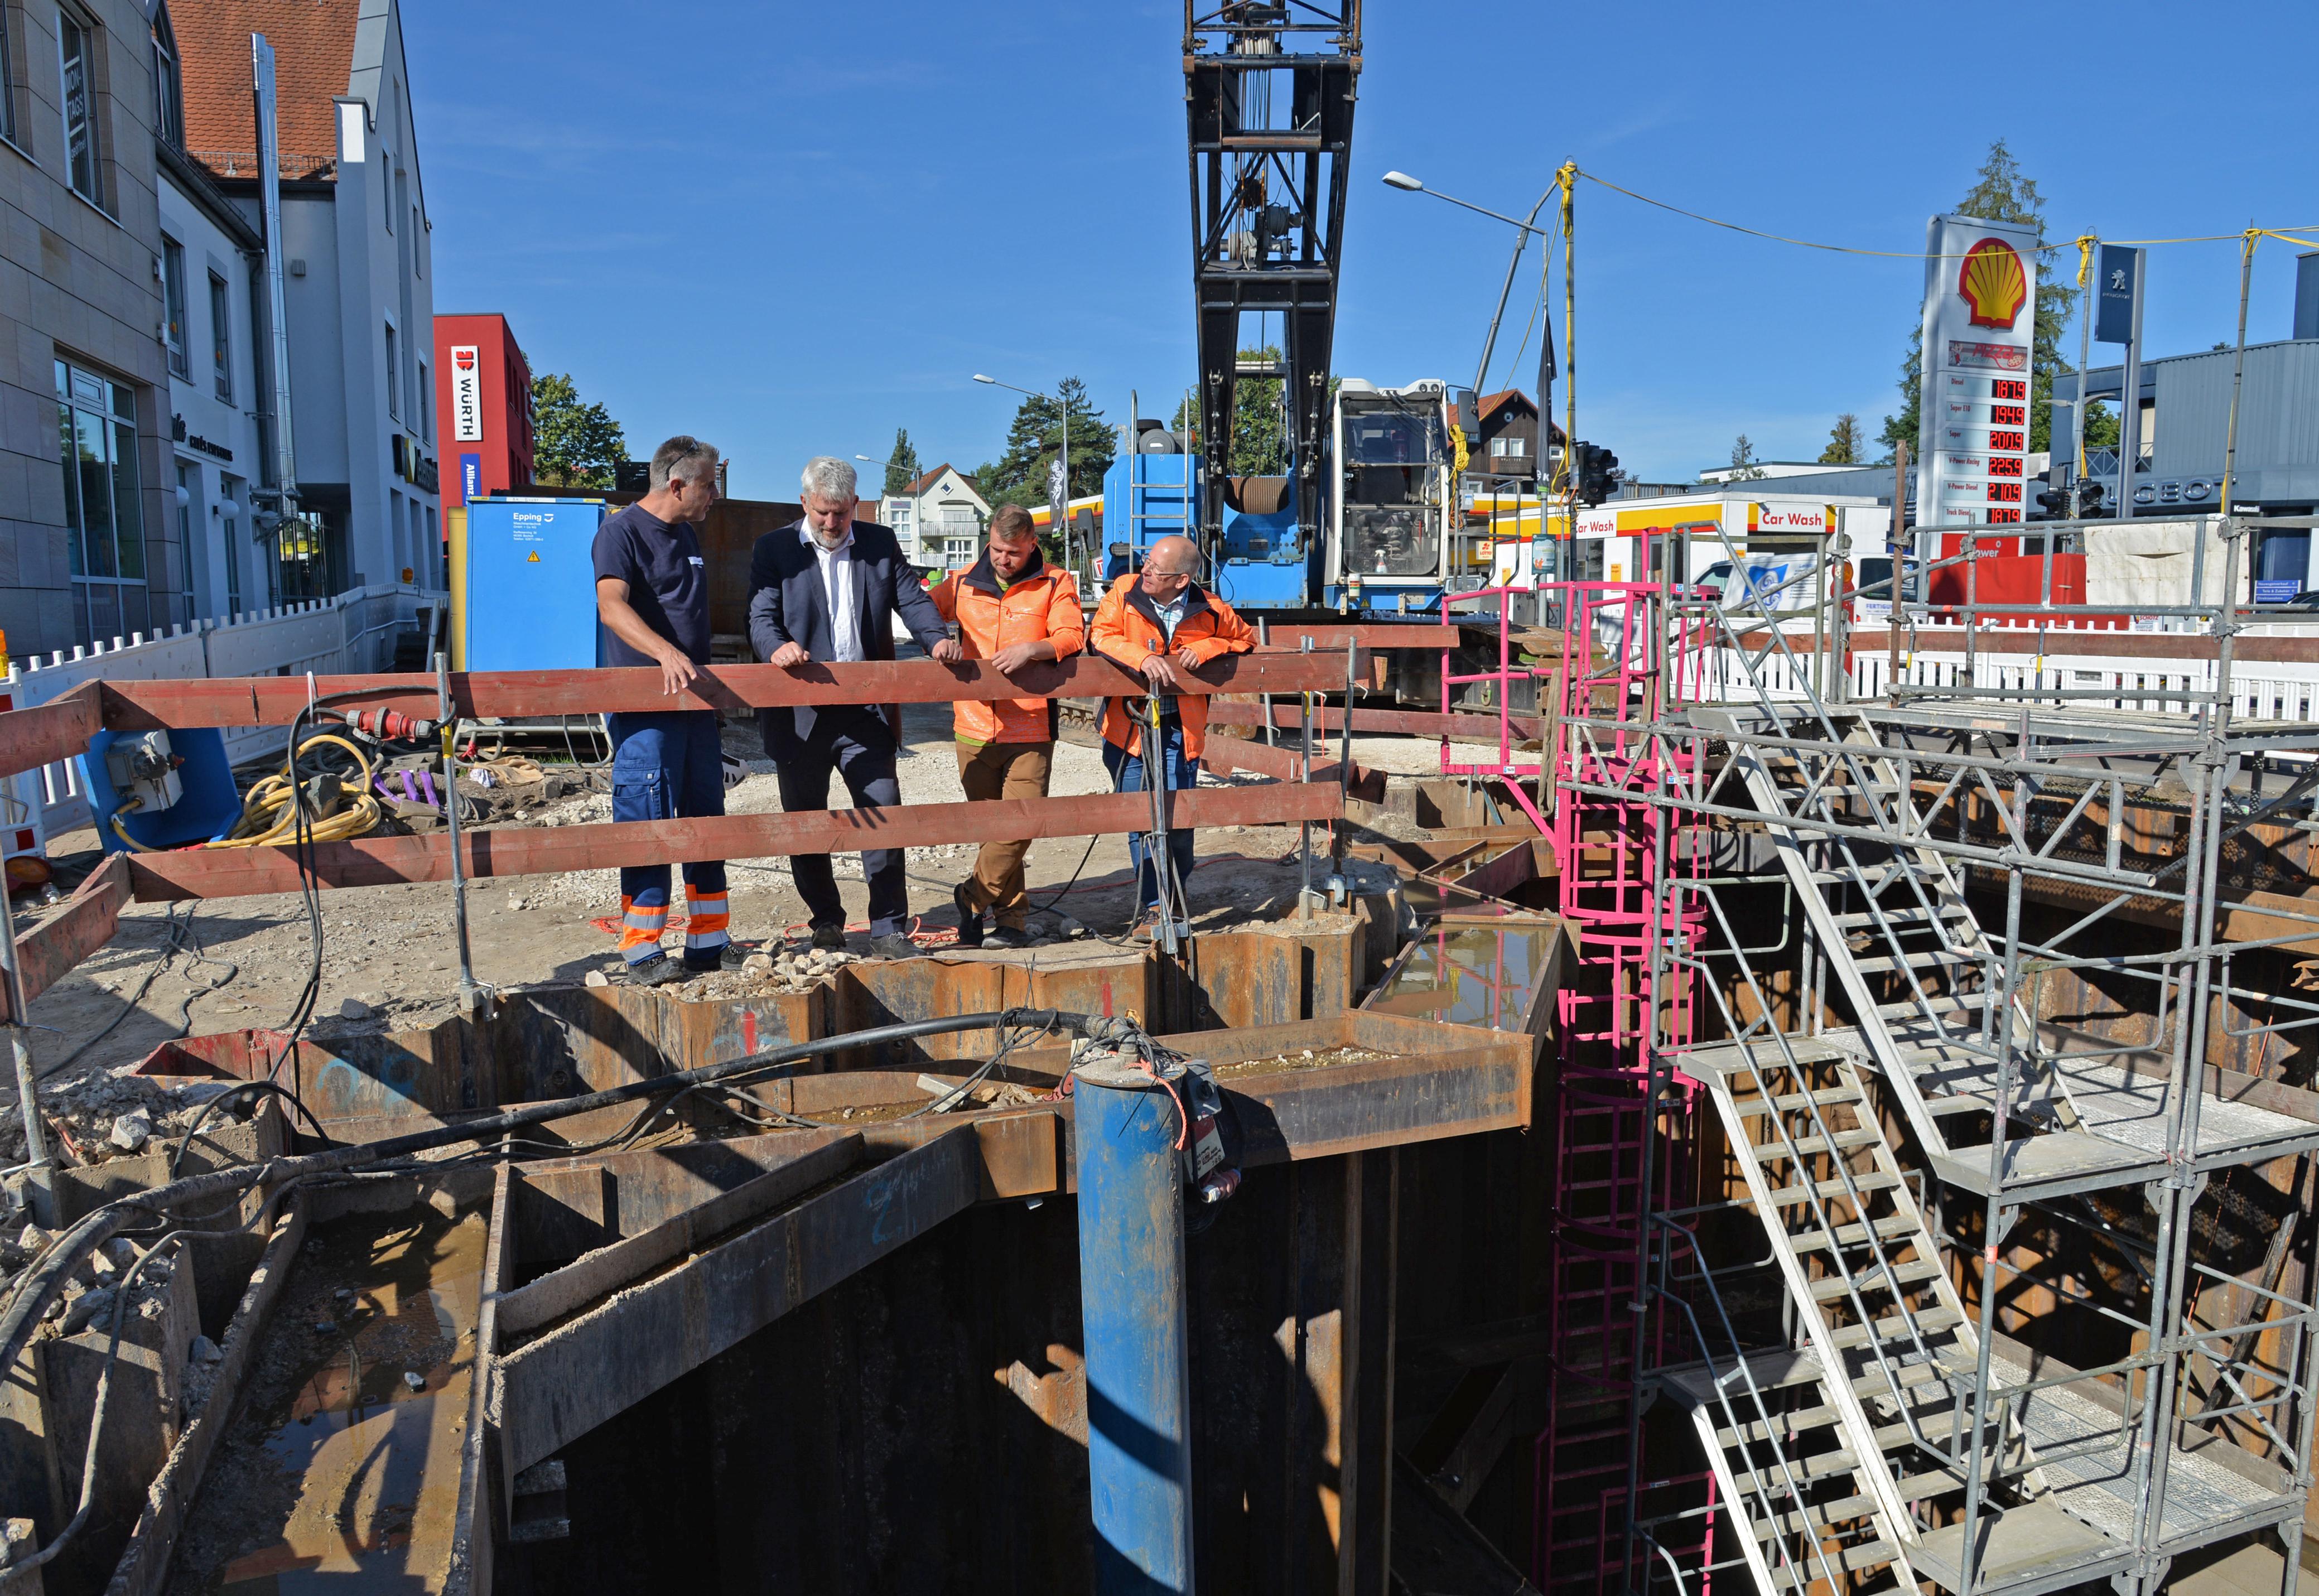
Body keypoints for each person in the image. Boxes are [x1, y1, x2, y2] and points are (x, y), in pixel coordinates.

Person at [749, 457, 962, 959]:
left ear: (854, 505)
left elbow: (912, 599)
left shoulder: (879, 543)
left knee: (884, 813)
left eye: (841, 513)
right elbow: (758, 614)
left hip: (864, 711)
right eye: (823, 512)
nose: (831, 523)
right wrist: (775, 647)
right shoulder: (774, 548)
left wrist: (935, 640)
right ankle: (826, 921)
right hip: (800, 714)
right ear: (804, 503)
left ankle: (888, 925)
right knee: (806, 823)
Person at [592, 435, 740, 985]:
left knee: (706, 815)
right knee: (647, 815)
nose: (715, 494)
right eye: (708, 484)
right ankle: (642, 949)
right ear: (676, 484)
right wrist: (664, 652)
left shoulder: (688, 534)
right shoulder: (620, 532)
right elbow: (611, 606)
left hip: (695, 704)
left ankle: (708, 940)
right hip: (645, 706)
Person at [929, 505, 1083, 949]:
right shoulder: (960, 581)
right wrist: (937, 640)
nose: (1002, 559)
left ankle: (971, 897)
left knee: (1021, 822)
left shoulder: (1055, 581)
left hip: (1030, 724)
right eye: (996, 549)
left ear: (1031, 544)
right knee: (994, 830)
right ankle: (1011, 922)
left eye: (1013, 553)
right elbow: (919, 612)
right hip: (972, 724)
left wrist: (1033, 649)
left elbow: (1073, 635)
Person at [1088, 534, 1255, 936]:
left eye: (1155, 569)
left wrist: (1211, 646)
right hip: (1128, 728)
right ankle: (1152, 905)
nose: (1144, 571)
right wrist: (1142, 657)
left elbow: (1245, 639)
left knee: (1178, 820)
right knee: (1139, 820)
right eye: (1146, 562)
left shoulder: (1211, 610)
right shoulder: (1123, 592)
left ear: (1181, 580)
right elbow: (1099, 635)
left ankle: (1175, 901)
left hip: (1180, 732)